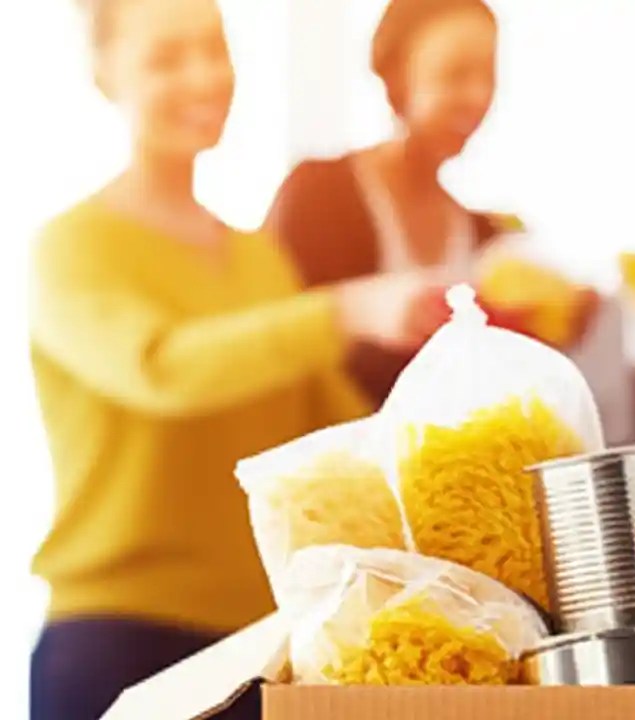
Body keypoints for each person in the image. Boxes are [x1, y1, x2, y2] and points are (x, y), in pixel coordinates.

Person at [28, 1, 443, 717]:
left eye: (215, 48)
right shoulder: (72, 247)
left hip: (259, 647)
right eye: (166, 57)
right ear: (104, 74)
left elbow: (333, 438)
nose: (204, 74)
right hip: (114, 639)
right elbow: (161, 368)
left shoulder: (258, 260)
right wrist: (345, 310)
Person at [268, 0, 597, 405]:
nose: (478, 96)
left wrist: (555, 324)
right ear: (396, 76)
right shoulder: (318, 195)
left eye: (488, 74)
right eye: (456, 74)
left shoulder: (484, 233)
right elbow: (282, 346)